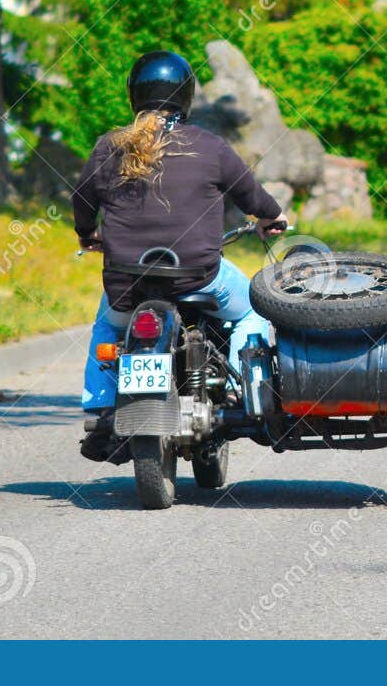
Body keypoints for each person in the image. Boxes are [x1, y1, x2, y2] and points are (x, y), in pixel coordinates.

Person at [72, 50, 289, 463]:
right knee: (252, 310)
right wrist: (271, 217)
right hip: (198, 276)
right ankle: (245, 394)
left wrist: (89, 234)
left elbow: (82, 200)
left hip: (127, 283)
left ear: (134, 95)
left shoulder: (108, 147)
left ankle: (100, 409)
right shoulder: (209, 146)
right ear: (186, 95)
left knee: (107, 327)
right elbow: (251, 194)